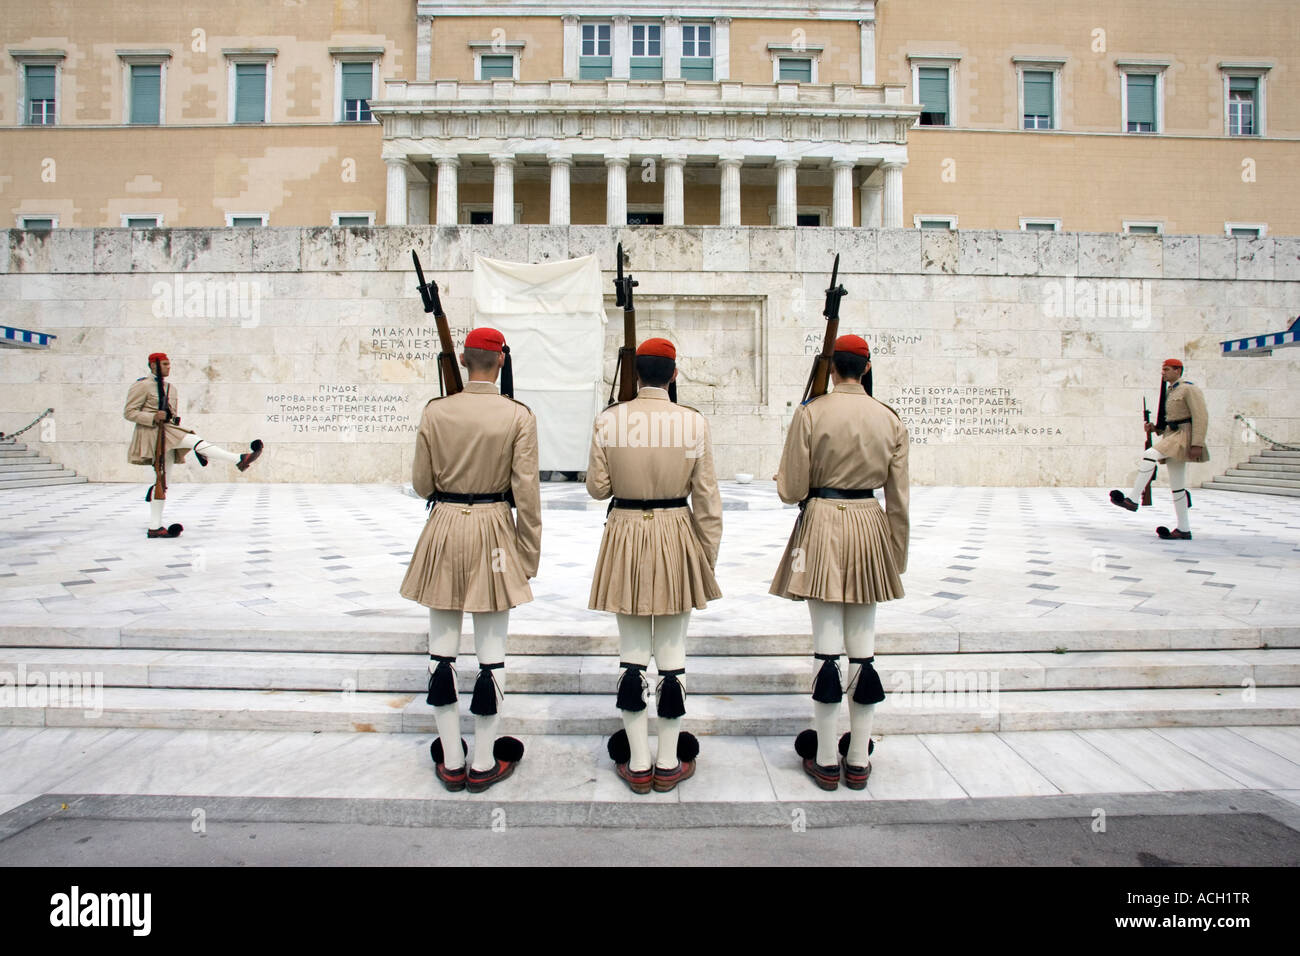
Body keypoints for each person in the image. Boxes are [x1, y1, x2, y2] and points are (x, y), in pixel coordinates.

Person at [400, 327, 540, 793]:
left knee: (441, 651)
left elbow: (422, 484)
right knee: (491, 654)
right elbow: (527, 494)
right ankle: (483, 761)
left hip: (443, 527)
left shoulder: (435, 411)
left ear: (463, 360)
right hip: (496, 530)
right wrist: (528, 554)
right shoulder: (518, 415)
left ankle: (451, 757)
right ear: (501, 361)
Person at [770, 335, 909, 791]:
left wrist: (791, 481)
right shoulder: (889, 419)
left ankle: (826, 759)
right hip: (870, 526)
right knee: (863, 651)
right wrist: (896, 557)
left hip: (823, 523)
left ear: (833, 369)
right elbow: (899, 500)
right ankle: (858, 759)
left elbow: (791, 489)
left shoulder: (811, 412)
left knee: (826, 648)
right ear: (865, 368)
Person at [586, 337, 722, 793]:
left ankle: (637, 763)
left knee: (631, 654)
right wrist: (704, 560)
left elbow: (597, 489)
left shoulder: (609, 421)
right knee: (672, 654)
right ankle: (668, 762)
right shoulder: (693, 423)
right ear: (674, 375)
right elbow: (707, 501)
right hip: (675, 531)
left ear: (634, 376)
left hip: (625, 531)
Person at [123, 352, 263, 538]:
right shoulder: (141, 386)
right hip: (152, 433)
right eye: (164, 364)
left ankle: (155, 527)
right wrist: (152, 417)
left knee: (163, 483)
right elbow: (129, 412)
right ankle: (239, 459)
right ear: (153, 365)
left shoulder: (171, 388)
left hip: (168, 432)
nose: (168, 367)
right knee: (193, 440)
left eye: (169, 364)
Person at [1109, 358, 1209, 540]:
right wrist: (1155, 428)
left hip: (1183, 435)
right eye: (1163, 370)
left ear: (1178, 371)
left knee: (1150, 454)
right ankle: (1184, 529)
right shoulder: (1171, 391)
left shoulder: (1189, 389)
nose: (1163, 373)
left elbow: (1201, 417)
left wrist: (1197, 444)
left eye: (1167, 370)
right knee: (1177, 487)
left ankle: (1132, 499)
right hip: (1171, 435)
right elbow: (1169, 419)